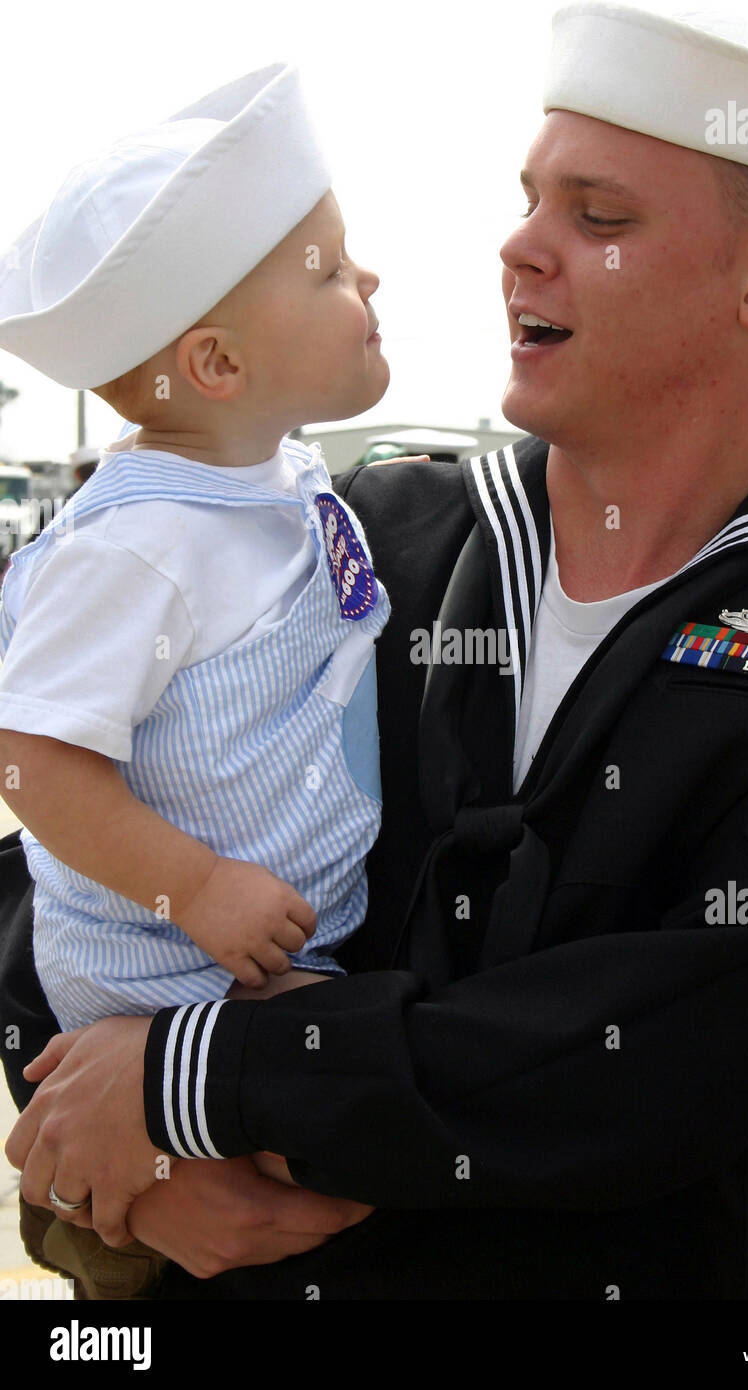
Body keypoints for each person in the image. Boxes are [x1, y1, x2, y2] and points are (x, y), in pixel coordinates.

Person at [2, 3, 748, 1300]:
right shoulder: (362, 539)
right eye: (529, 199)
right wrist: (136, 1160)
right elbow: (59, 851)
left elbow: (662, 1055)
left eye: (596, 218)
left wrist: (194, 1080)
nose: (519, 246)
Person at [0, 62, 395, 1290]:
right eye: (326, 270)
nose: (366, 279)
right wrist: (196, 886)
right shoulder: (138, 544)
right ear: (217, 366)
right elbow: (31, 756)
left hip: (257, 981)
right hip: (171, 980)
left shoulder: (271, 492)